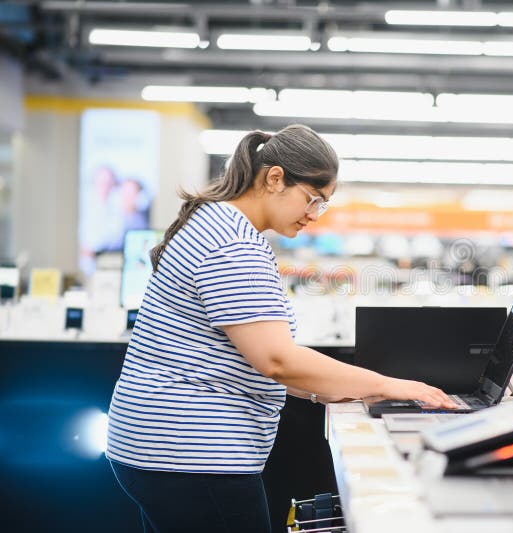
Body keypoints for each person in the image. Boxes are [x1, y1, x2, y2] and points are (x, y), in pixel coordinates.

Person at [106, 124, 455, 533]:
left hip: (158, 448)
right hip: (194, 457)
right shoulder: (233, 244)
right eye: (313, 200)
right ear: (274, 178)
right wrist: (395, 387)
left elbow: (245, 357)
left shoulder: (216, 224)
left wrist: (330, 388)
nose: (313, 215)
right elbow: (276, 360)